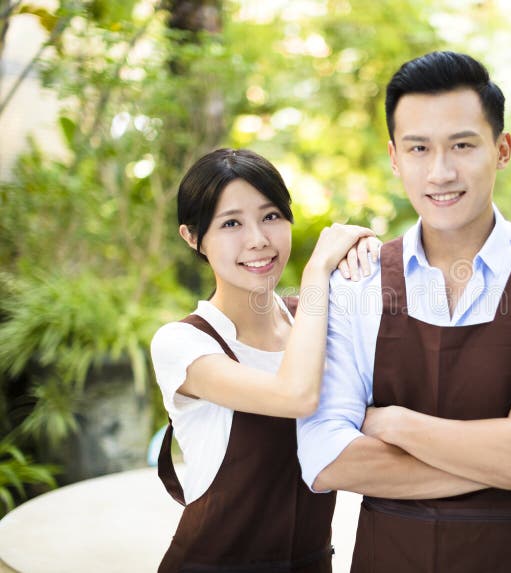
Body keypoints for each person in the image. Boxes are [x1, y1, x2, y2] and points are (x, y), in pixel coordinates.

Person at [297, 51, 511, 573]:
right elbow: (325, 459)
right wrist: (504, 444)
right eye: (419, 148)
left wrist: (392, 423)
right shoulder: (357, 282)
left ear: (501, 149)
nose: (440, 172)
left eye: (462, 145)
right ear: (395, 158)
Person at [150, 148, 379, 573]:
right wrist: (317, 273)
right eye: (231, 223)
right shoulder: (182, 343)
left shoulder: (313, 322)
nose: (258, 239)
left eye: (271, 216)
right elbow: (295, 396)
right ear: (192, 236)